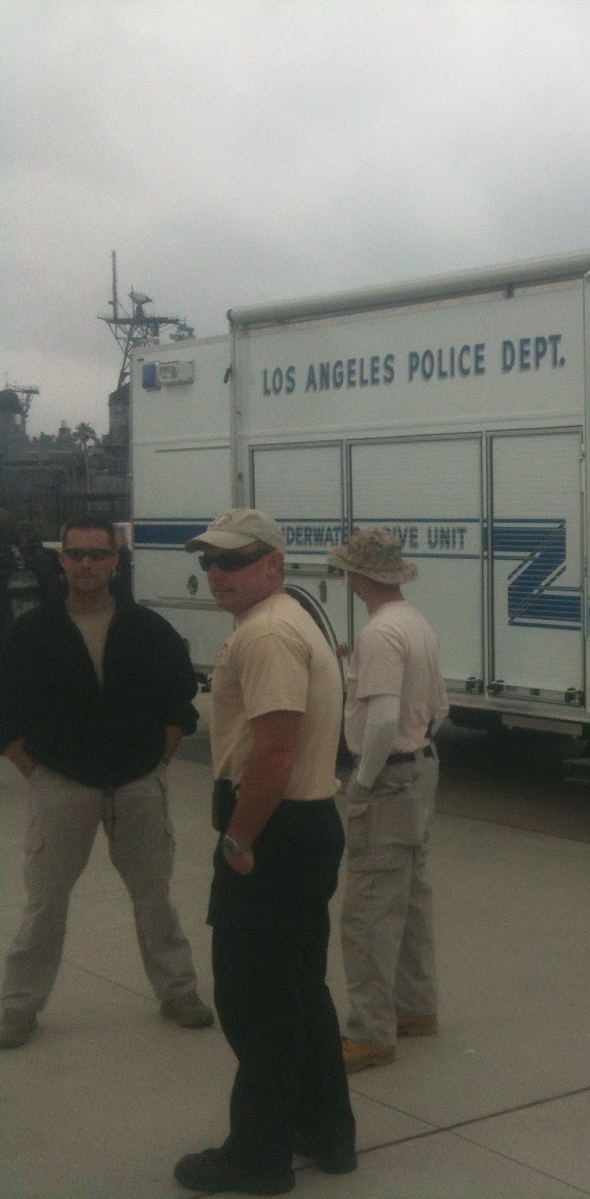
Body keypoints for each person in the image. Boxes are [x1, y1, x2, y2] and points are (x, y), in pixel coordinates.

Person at [174, 509, 356, 1195]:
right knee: (298, 989)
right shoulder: (283, 617)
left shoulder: (270, 633)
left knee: (255, 1001)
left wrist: (240, 839)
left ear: (273, 564)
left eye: (234, 559)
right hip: (303, 824)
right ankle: (327, 1132)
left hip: (273, 829)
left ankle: (257, 1156)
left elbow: (275, 751)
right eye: (210, 561)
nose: (217, 572)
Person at [0, 515, 210, 1050]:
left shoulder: (149, 629)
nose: (87, 565)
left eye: (98, 555)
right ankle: (18, 1006)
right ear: (62, 559)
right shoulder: (30, 634)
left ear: (116, 562)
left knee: (154, 896)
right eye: (77, 554)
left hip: (138, 784)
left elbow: (180, 702)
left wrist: (156, 760)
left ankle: (177, 990)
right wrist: (36, 772)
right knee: (45, 902)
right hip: (62, 786)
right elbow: (6, 710)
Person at [327, 528, 448, 1073]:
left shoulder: (379, 634)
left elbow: (378, 720)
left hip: (389, 778)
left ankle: (371, 1031)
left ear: (358, 576)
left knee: (370, 908)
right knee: (412, 895)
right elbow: (440, 708)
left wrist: (363, 782)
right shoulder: (417, 623)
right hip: (421, 769)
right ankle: (415, 1007)